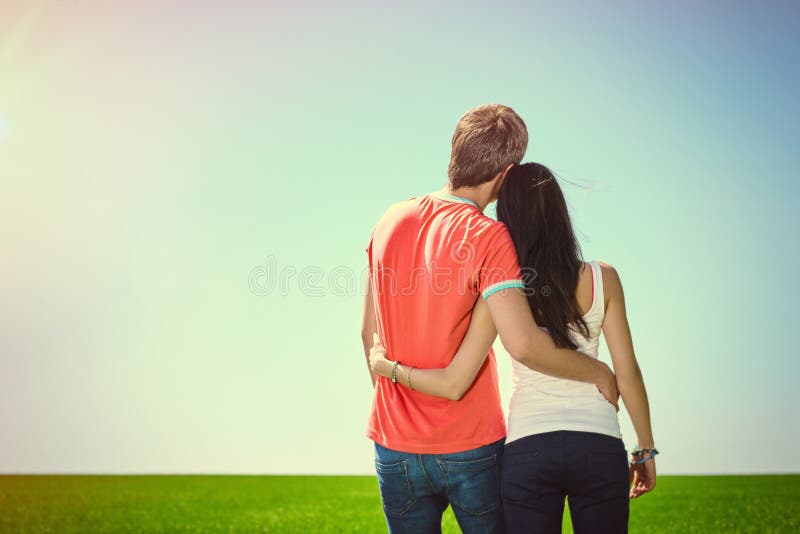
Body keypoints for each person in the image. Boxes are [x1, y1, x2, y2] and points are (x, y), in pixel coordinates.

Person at [361, 105, 619, 533]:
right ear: (508, 172)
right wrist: (600, 372)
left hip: (393, 445)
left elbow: (368, 332)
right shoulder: (489, 236)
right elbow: (524, 345)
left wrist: (400, 411)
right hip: (470, 445)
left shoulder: (390, 218)